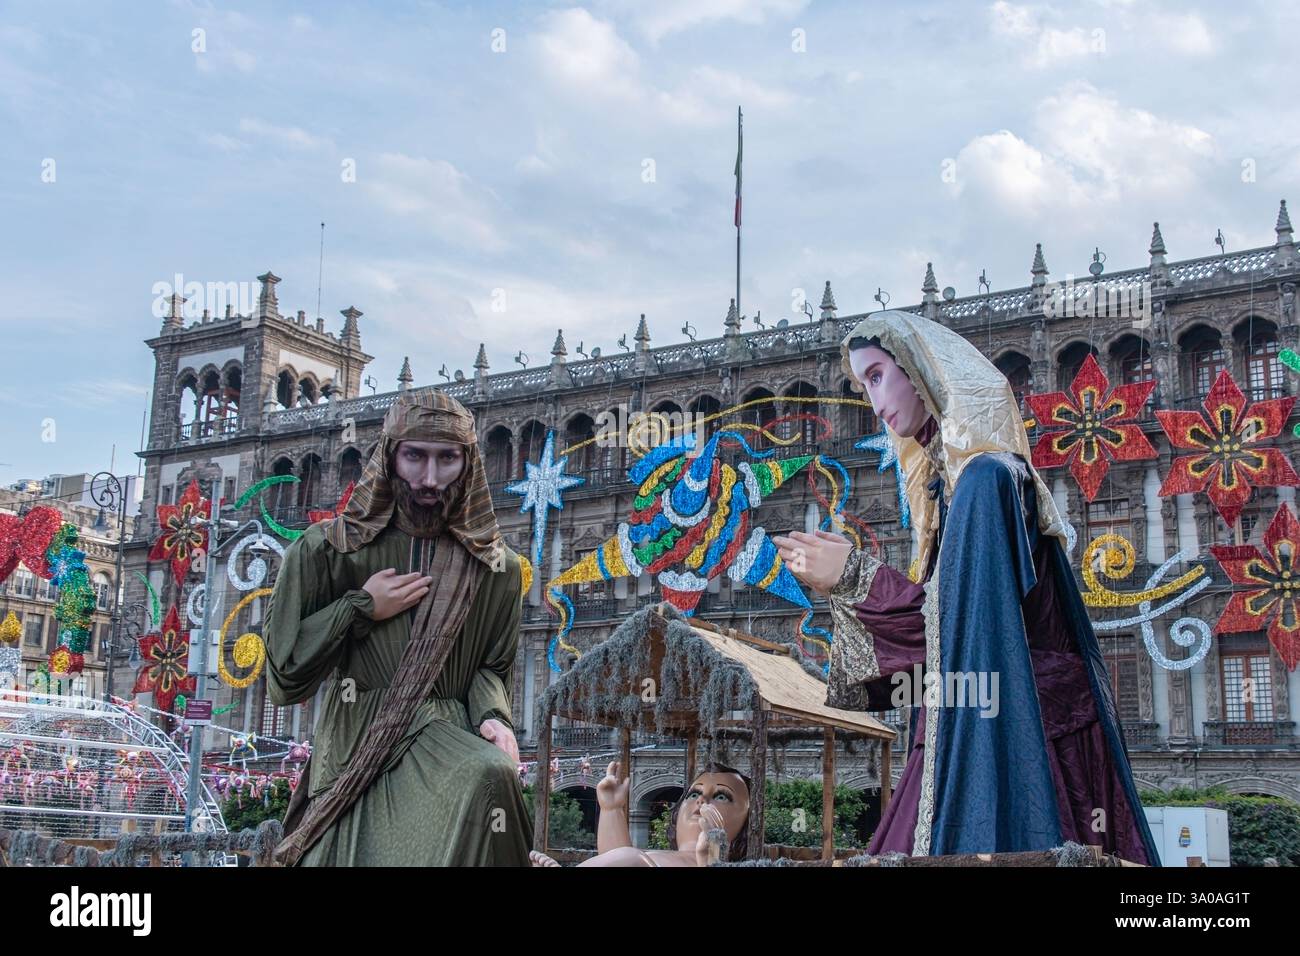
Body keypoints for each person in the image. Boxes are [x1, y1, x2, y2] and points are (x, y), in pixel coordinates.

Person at [773, 310, 1159, 864]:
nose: (874, 400)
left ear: (921, 369)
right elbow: (951, 634)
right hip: (968, 720)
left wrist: (856, 578)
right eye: (863, 386)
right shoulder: (951, 489)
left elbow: (967, 627)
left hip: (1019, 742)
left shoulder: (986, 479)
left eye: (879, 375)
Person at [266, 389, 531, 866]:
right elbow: (285, 676)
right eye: (415, 456)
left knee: (491, 775)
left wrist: (495, 716)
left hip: (446, 731)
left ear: (468, 463)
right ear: (389, 458)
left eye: (446, 458)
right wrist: (359, 606)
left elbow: (490, 667)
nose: (429, 479)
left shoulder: (497, 567)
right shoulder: (327, 550)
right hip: (357, 734)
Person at [529, 761, 750, 867]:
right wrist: (612, 810)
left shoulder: (710, 860)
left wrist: (713, 848)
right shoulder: (654, 854)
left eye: (721, 796)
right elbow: (614, 858)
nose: (702, 800)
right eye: (694, 794)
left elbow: (627, 859)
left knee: (632, 857)